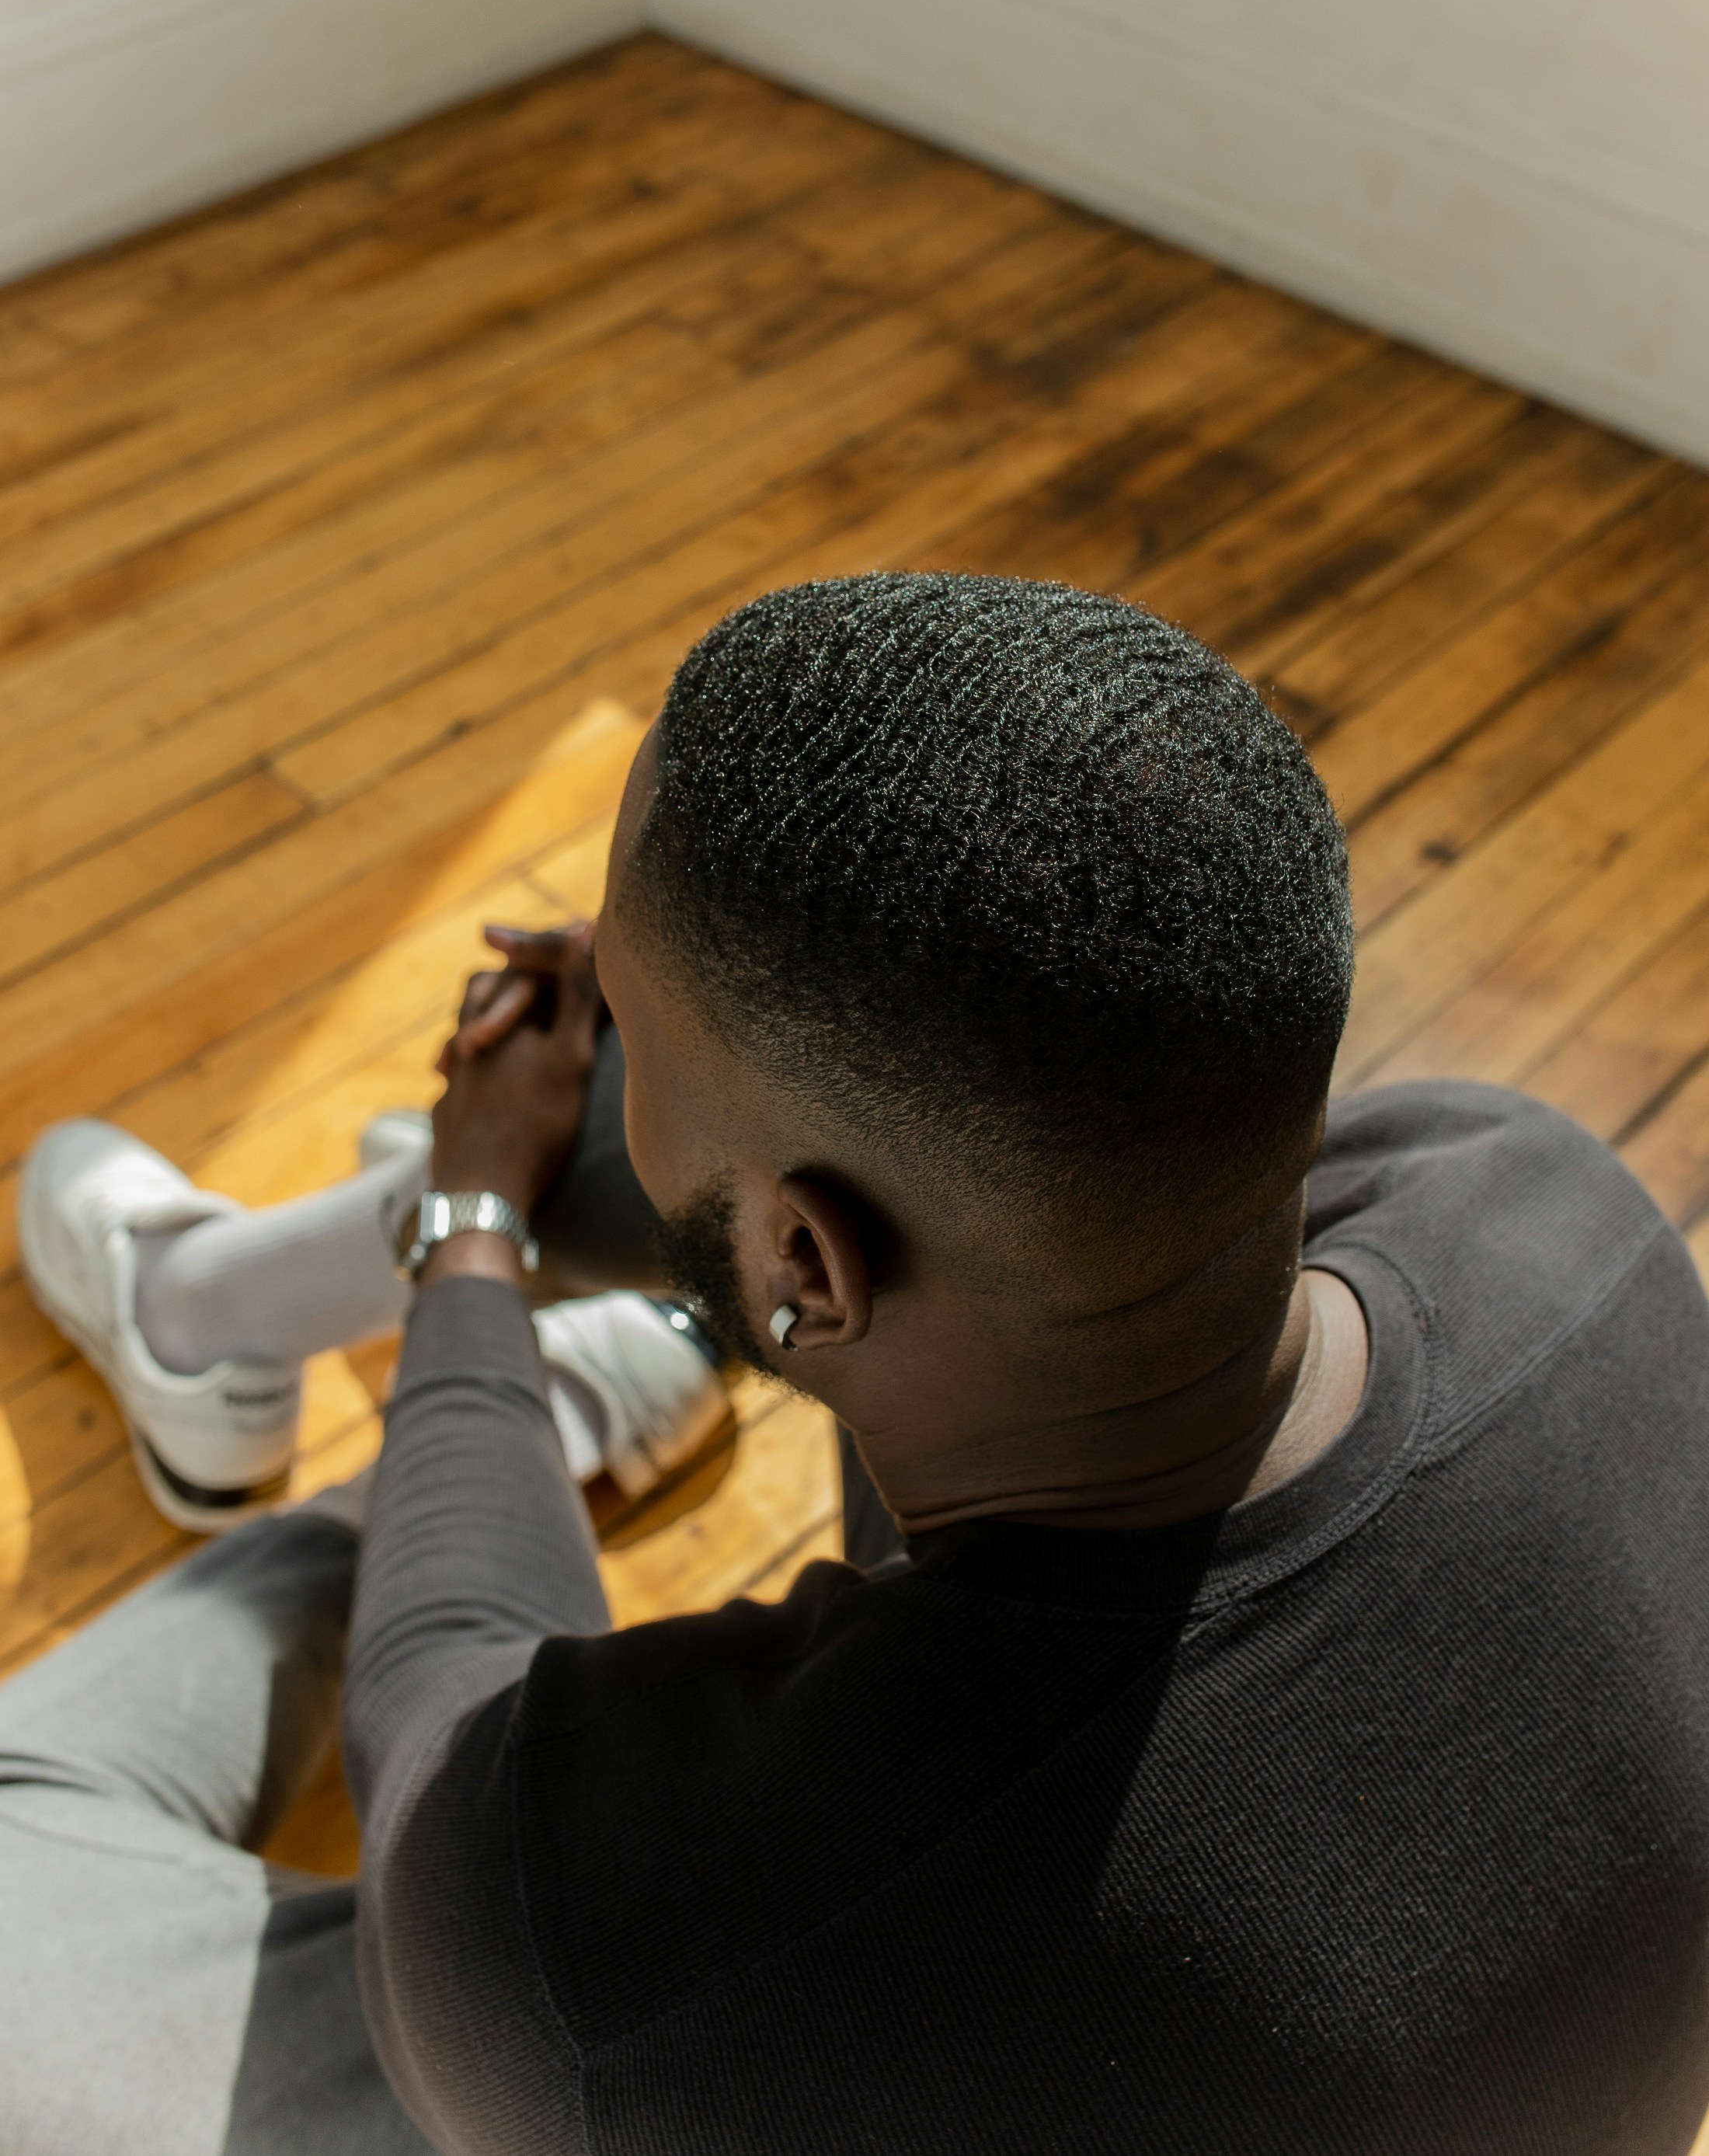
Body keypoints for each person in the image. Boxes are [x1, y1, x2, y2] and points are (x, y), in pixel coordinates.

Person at [8, 569, 1709, 2156]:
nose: (604, 1017)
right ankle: (301, 1327)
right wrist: (696, 1030)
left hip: (694, 2079)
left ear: (810, 1266)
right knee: (862, 1137)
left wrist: (469, 1218)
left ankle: (348, 1364)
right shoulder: (1536, 1203)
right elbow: (868, 1195)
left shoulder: (654, 1958)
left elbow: (445, 1693)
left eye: (631, 1021)